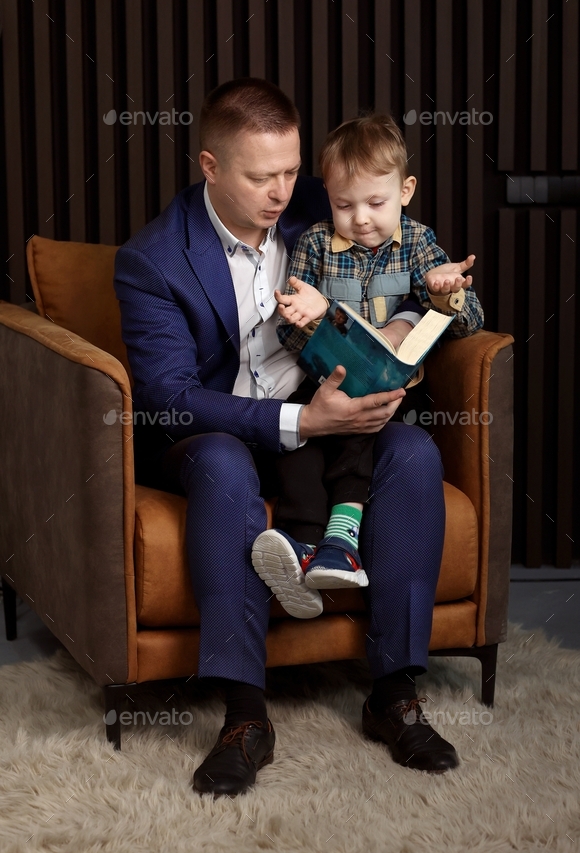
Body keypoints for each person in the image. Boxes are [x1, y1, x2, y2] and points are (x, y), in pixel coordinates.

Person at [114, 77, 471, 799]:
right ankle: (246, 716)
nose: (283, 192)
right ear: (210, 167)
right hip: (223, 430)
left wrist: (411, 317)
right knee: (221, 462)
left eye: (290, 170)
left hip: (325, 411)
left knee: (412, 451)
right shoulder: (152, 259)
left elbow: (397, 255)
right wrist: (303, 421)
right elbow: (169, 399)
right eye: (260, 177)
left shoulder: (325, 206)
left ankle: (392, 692)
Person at [251, 114, 484, 612]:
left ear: (405, 191)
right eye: (343, 204)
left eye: (376, 203)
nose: (360, 218)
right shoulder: (314, 243)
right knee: (296, 444)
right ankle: (304, 546)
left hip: (390, 390)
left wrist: (449, 296)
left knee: (364, 429)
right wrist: (308, 316)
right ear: (328, 198)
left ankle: (341, 541)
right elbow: (290, 333)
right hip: (322, 386)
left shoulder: (419, 244)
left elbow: (472, 321)